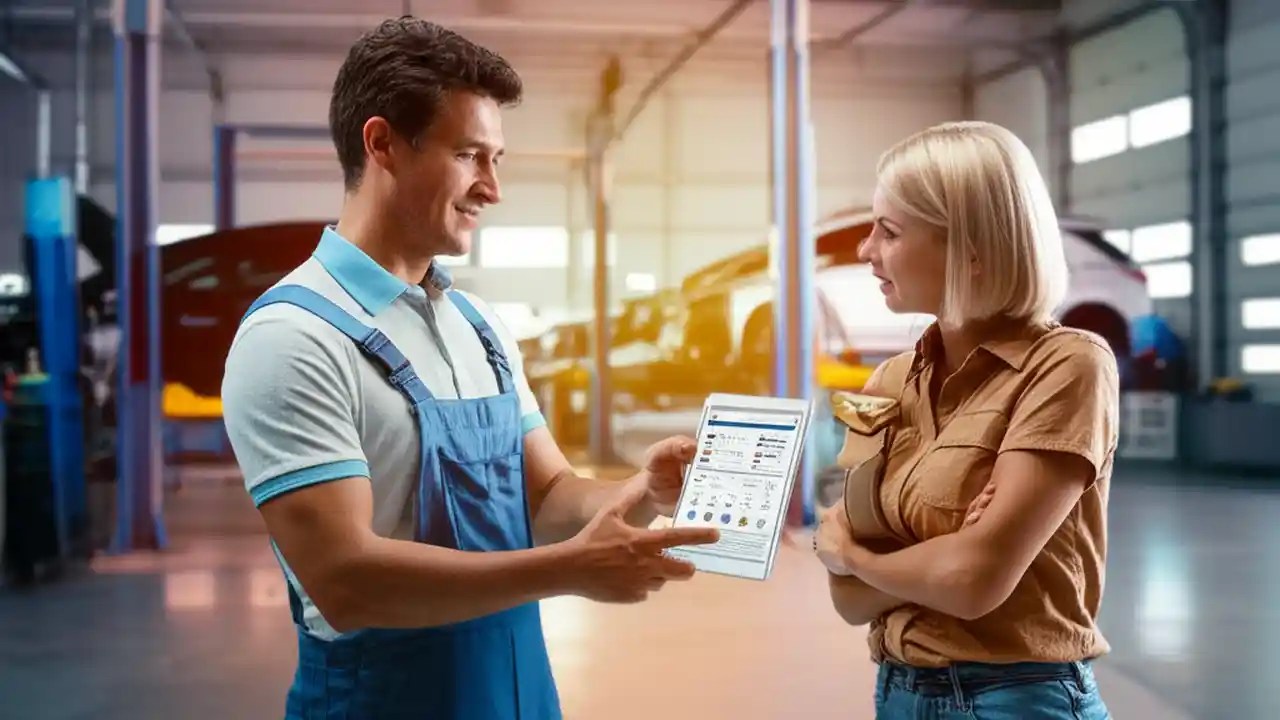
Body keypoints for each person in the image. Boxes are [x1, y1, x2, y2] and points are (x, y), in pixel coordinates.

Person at [220, 17, 718, 719]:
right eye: (469, 155)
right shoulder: (293, 337)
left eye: (498, 159)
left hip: (515, 695)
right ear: (382, 143)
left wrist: (641, 489)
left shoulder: (478, 327)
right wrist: (570, 571)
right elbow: (345, 580)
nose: (493, 188)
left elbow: (546, 500)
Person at [814, 121, 1116, 720]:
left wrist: (862, 557)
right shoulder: (890, 383)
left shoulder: (1068, 365)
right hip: (898, 693)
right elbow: (847, 601)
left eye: (890, 231)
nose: (866, 250)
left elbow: (973, 581)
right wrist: (936, 556)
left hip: (1020, 700)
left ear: (972, 250)